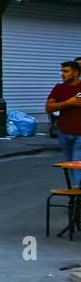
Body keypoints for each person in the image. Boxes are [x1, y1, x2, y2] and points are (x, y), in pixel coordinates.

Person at [46, 60, 81, 188]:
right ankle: (76, 191)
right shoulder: (59, 88)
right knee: (70, 164)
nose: (62, 74)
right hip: (64, 132)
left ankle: (77, 193)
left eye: (66, 71)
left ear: (76, 72)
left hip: (80, 134)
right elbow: (49, 107)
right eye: (61, 71)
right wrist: (69, 102)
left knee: (77, 164)